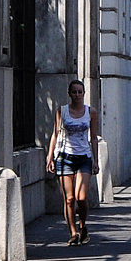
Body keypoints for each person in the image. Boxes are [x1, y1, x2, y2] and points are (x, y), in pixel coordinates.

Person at [46, 80, 99, 245]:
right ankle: (73, 232)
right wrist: (50, 157)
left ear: (84, 93)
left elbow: (93, 138)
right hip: (64, 157)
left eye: (80, 92)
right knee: (69, 199)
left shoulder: (91, 112)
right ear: (69, 93)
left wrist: (95, 160)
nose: (77, 95)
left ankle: (83, 225)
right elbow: (55, 134)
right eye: (74, 92)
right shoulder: (62, 111)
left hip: (84, 157)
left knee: (81, 197)